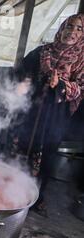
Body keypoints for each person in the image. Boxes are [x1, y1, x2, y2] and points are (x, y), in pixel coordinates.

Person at [10, 14, 84, 216]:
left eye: (79, 28)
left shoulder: (81, 59)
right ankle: (8, 190)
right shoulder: (44, 51)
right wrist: (23, 82)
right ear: (62, 27)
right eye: (70, 26)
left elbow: (80, 88)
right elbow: (21, 70)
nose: (73, 31)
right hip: (30, 108)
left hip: (55, 114)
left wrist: (60, 84)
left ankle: (34, 198)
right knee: (19, 145)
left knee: (45, 156)